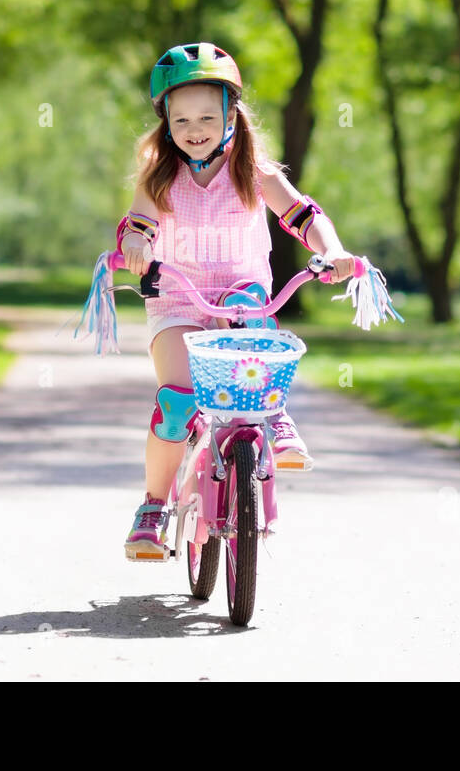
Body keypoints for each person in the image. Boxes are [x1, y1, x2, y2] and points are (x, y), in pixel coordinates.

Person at [118, 42, 357, 561]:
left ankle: (275, 415)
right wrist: (135, 244)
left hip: (240, 294)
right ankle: (153, 508)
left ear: (232, 114)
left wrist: (331, 251)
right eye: (180, 119)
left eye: (207, 115)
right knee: (177, 400)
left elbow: (306, 216)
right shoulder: (159, 176)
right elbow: (138, 224)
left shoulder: (254, 172)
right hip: (177, 301)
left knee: (252, 324)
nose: (194, 128)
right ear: (165, 124)